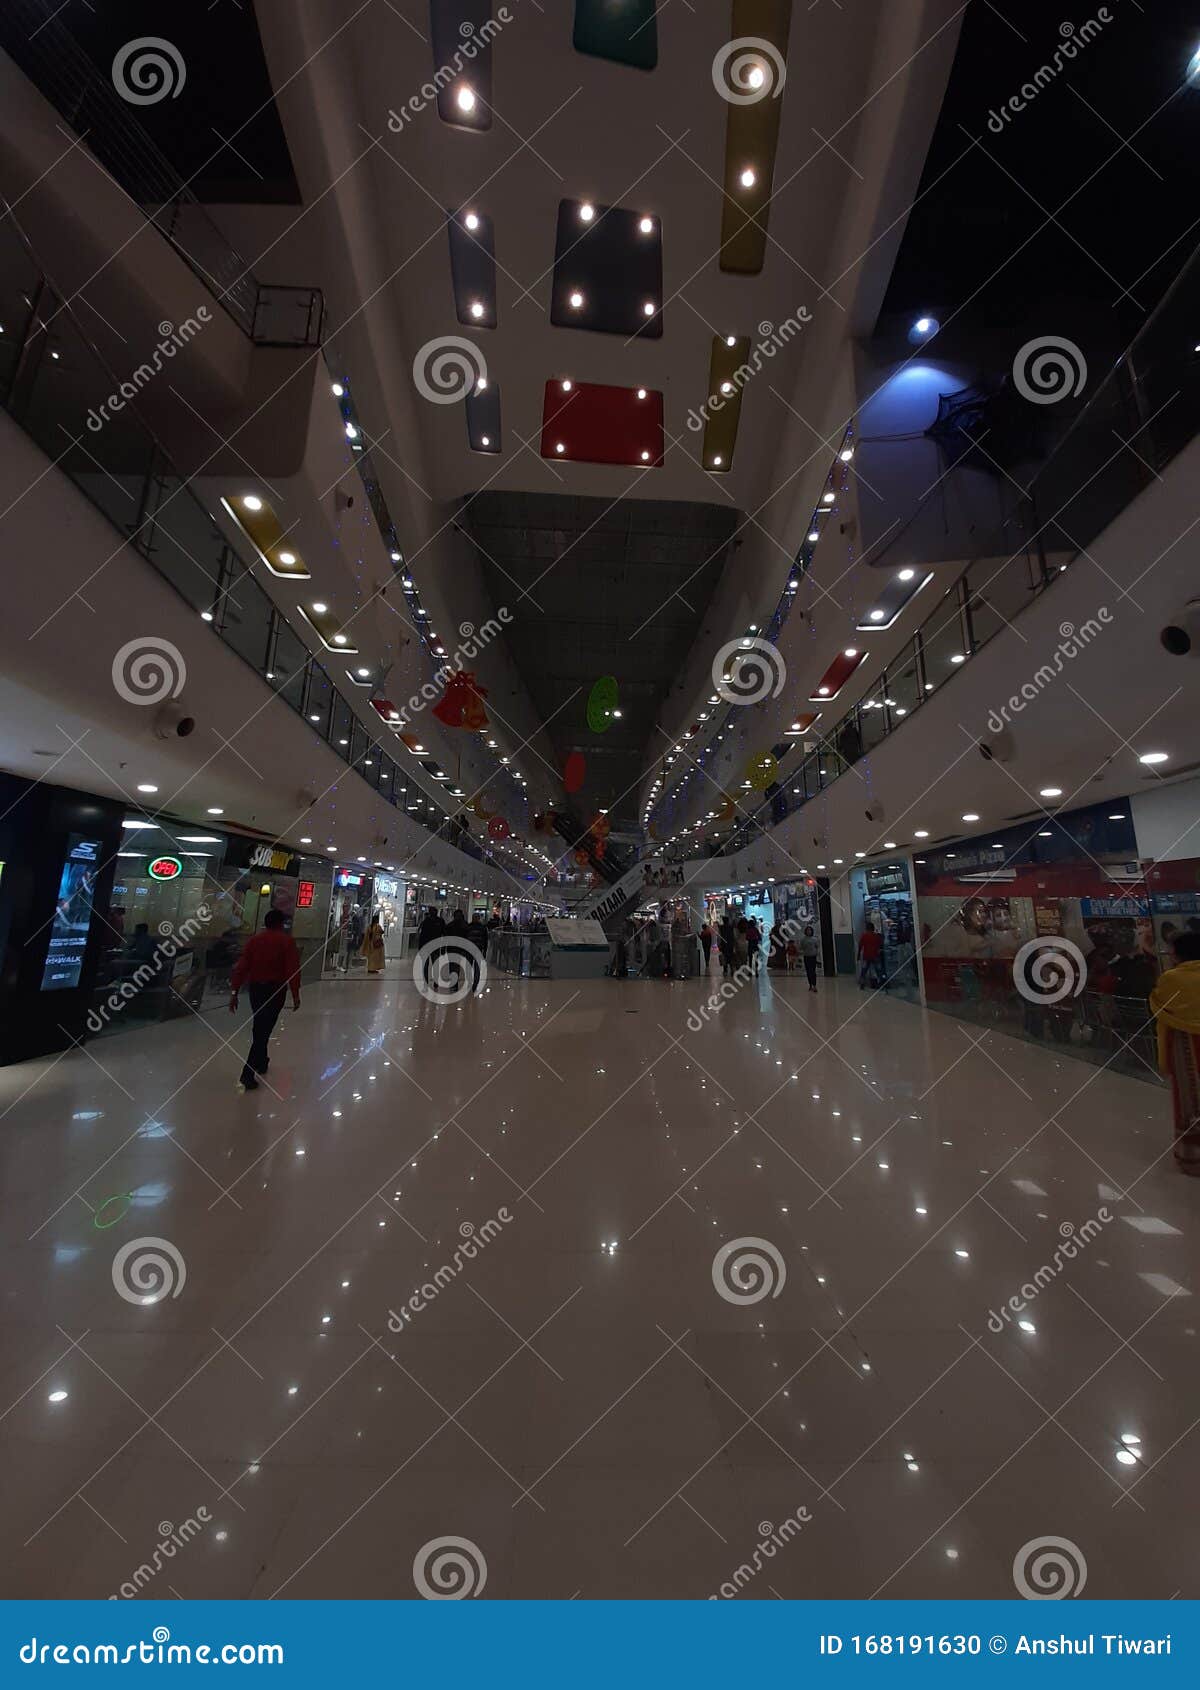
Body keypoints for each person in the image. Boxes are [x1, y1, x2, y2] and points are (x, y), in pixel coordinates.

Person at [230, 910, 301, 1092]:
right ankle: (248, 1072)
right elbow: (292, 969)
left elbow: (242, 967)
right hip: (275, 990)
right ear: (280, 923)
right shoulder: (286, 942)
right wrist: (295, 993)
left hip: (256, 989)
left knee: (260, 1024)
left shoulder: (254, 941)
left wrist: (234, 991)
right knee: (264, 1028)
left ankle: (262, 1061)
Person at [1150, 932, 1200, 1176]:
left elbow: (1158, 1004)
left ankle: (1193, 1157)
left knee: (1189, 1098)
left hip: (1185, 1045)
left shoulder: (1172, 979)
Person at [858, 922, 883, 989]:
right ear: (873, 928)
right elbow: (880, 945)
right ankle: (879, 983)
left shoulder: (864, 935)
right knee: (878, 971)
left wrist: (858, 955)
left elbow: (860, 946)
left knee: (864, 971)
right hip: (875, 956)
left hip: (866, 956)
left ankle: (862, 984)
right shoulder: (876, 936)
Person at [800, 925, 819, 992]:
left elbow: (817, 947)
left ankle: (814, 985)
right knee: (808, 971)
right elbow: (801, 947)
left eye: (810, 930)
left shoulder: (815, 939)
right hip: (806, 956)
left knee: (813, 971)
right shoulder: (803, 939)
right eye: (807, 930)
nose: (809, 931)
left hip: (813, 956)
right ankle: (810, 985)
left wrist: (816, 953)